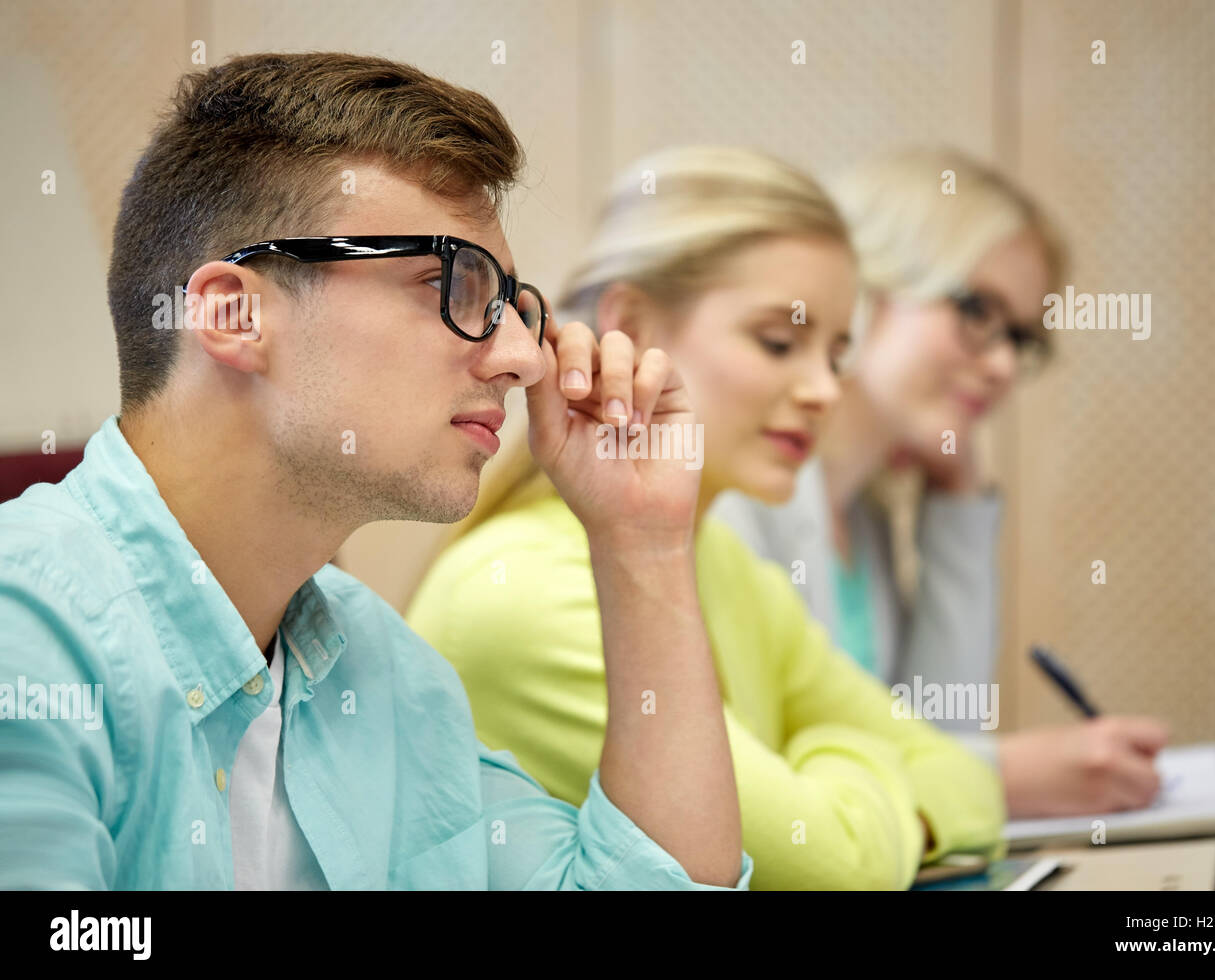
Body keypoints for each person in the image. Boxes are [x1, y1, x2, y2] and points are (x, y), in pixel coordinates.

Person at [0, 52, 752, 890]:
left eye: (511, 304)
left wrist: (640, 542)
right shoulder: (26, 633)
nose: (523, 360)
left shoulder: (381, 671)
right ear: (234, 314)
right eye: (452, 285)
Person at [407, 146, 1006, 890]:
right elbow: (829, 868)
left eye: (838, 353)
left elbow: (966, 780)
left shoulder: (724, 562)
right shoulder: (526, 592)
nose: (823, 389)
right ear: (629, 323)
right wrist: (847, 756)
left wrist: (838, 783)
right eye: (779, 342)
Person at [710, 148, 1168, 818]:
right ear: (861, 287)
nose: (1005, 364)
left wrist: (958, 508)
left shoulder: (859, 521)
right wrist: (1003, 779)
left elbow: (934, 738)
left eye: (1020, 337)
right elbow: (749, 787)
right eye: (978, 311)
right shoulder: (736, 496)